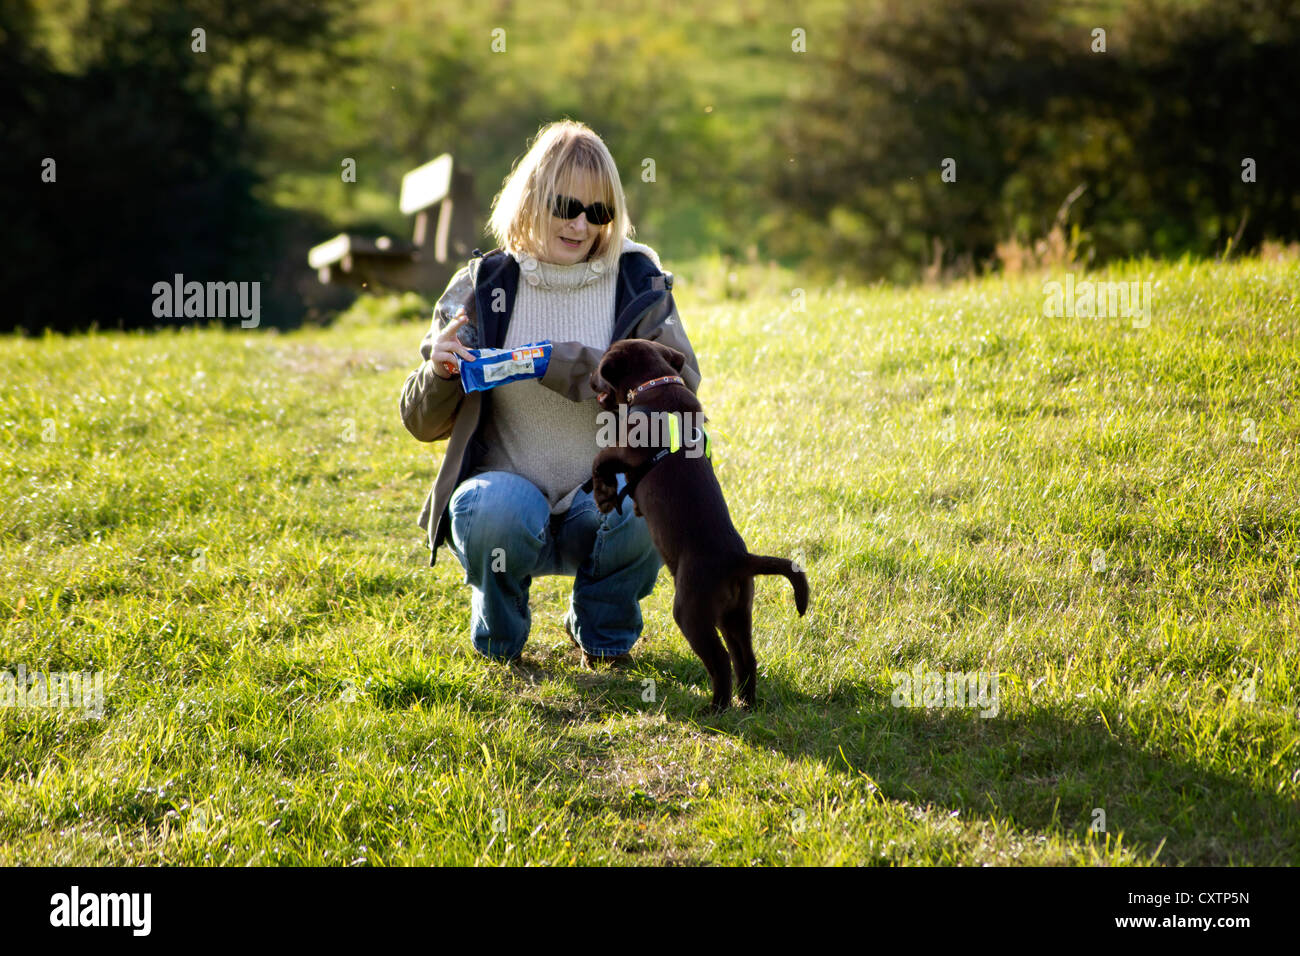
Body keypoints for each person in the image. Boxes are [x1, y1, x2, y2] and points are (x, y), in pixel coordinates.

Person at [399, 120, 701, 665]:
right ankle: (501, 640)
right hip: (509, 502)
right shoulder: (483, 284)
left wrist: (552, 363)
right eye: (566, 206)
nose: (582, 224)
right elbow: (420, 422)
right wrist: (438, 374)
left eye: (599, 211)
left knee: (646, 497)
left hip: (600, 503)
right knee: (495, 509)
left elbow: (680, 392)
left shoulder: (638, 281)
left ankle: (604, 636)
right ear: (532, 198)